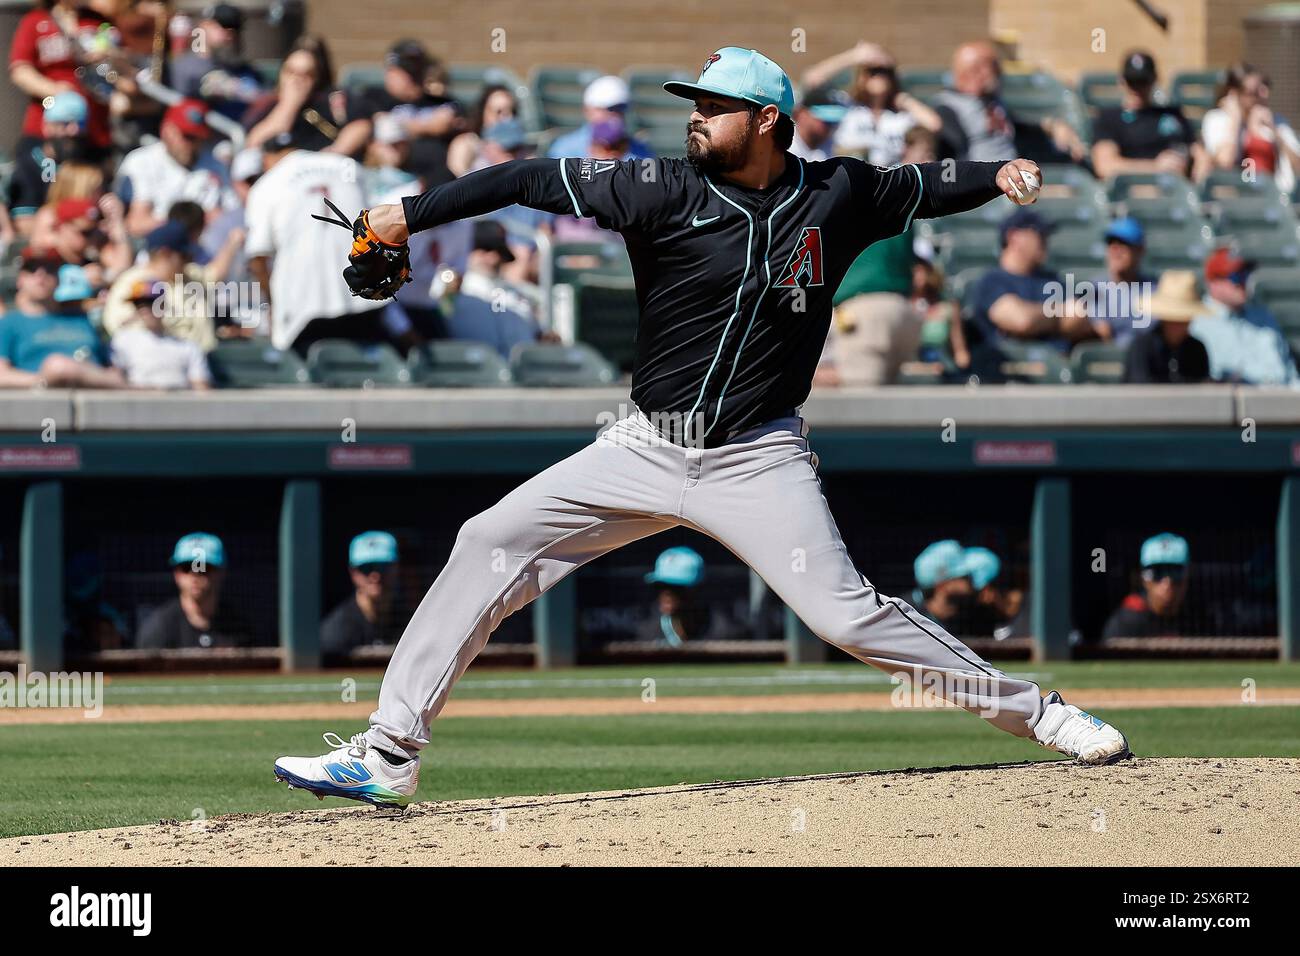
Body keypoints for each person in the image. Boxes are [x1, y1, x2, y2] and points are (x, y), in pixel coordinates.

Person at [274, 45, 1129, 807]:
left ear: (765, 121)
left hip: (758, 459)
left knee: (845, 617)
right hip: (642, 446)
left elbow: (929, 186)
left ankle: (1042, 715)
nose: (695, 116)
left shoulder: (837, 193)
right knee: (487, 540)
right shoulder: (659, 188)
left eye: (713, 106)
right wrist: (407, 212)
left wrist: (1000, 171)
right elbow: (527, 177)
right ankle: (389, 753)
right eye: (694, 102)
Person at [245, 132, 390, 355]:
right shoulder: (347, 166)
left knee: (307, 376)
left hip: (303, 301)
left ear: (267, 157)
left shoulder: (267, 184)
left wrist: (272, 302)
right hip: (363, 294)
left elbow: (258, 257)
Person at [965, 209, 1094, 368]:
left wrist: (1041, 319)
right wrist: (1061, 315)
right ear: (1013, 237)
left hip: (1056, 375)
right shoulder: (991, 282)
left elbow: (1079, 318)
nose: (1045, 239)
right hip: (1010, 376)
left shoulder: (1052, 280)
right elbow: (1021, 320)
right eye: (1039, 233)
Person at [336, 39, 465, 185]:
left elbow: (463, 126)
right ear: (390, 72)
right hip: (386, 181)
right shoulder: (373, 98)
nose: (416, 78)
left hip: (440, 182)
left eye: (419, 70)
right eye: (408, 72)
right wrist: (428, 126)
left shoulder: (443, 102)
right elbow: (376, 127)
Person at [933, 40, 1084, 165]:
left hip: (1012, 177)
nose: (1000, 72)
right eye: (994, 66)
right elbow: (954, 156)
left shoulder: (991, 101)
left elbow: (1017, 127)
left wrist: (1052, 126)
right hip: (982, 186)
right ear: (976, 71)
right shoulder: (947, 107)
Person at [802, 42, 941, 167]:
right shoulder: (847, 105)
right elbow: (812, 79)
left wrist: (905, 100)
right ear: (862, 76)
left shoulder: (899, 116)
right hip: (847, 177)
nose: (880, 77)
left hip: (887, 182)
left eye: (886, 72)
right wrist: (853, 57)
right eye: (873, 71)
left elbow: (934, 125)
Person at [8, 0, 116, 160]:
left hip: (93, 129)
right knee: (48, 180)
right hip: (49, 128)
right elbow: (20, 69)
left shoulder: (98, 21)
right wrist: (54, 90)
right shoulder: (35, 20)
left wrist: (109, 56)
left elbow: (119, 64)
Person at [0, 251, 125, 389]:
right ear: (20, 280)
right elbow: (2, 374)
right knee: (57, 365)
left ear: (58, 279)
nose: (41, 275)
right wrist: (45, 379)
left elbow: (110, 366)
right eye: (32, 269)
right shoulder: (9, 323)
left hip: (96, 395)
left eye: (49, 269)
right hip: (41, 400)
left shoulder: (80, 318)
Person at [115, 98, 234, 236]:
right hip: (159, 249)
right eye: (186, 136)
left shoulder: (215, 164)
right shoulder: (142, 161)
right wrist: (189, 222)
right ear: (166, 130)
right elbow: (135, 224)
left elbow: (230, 214)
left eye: (197, 137)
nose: (191, 145)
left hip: (207, 248)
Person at [102, 220, 221, 351]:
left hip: (203, 361)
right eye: (185, 256)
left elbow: (214, 274)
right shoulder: (133, 282)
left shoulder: (189, 275)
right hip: (160, 361)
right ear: (165, 254)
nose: (188, 262)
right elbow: (119, 326)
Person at [824, 227, 922, 384]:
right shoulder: (901, 205)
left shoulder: (841, 207)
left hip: (864, 312)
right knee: (892, 401)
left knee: (862, 399)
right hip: (904, 309)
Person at [1189, 247, 1299, 385]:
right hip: (1234, 403)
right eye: (1235, 277)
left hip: (1286, 399)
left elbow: (1289, 373)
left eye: (1246, 274)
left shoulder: (1263, 316)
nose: (1243, 282)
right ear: (1213, 282)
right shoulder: (1197, 324)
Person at [442, 220, 544, 356]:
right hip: (471, 369)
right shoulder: (450, 288)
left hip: (522, 370)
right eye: (485, 249)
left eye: (499, 252)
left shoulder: (516, 295)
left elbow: (537, 335)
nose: (493, 258)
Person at [1090, 51, 1197, 181]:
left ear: (1154, 80)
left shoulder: (1173, 115)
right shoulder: (1109, 118)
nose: (1137, 88)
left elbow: (1198, 154)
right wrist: (1155, 167)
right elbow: (1105, 166)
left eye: (1143, 81)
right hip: (1129, 192)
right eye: (1132, 82)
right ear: (1121, 81)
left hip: (1174, 191)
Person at [137, 533, 254, 649]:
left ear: (221, 572)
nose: (195, 574)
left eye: (203, 567)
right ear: (176, 574)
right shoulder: (159, 627)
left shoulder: (238, 628)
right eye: (187, 567)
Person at [1201, 63, 1300, 194]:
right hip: (1233, 199)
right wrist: (1235, 121)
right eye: (1253, 92)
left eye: (1264, 87)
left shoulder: (1276, 122)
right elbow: (1225, 161)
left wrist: (1274, 132)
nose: (1263, 95)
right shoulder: (1217, 120)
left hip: (1277, 197)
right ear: (1234, 94)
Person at [5, 90, 95, 229]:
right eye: (65, 123)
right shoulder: (29, 166)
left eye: (81, 123)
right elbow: (24, 224)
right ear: (47, 126)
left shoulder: (89, 164)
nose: (75, 130)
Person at [242, 34, 346, 154]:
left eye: (306, 74)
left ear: (317, 78)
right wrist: (290, 104)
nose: (296, 80)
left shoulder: (330, 103)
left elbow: (359, 123)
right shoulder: (266, 104)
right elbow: (253, 145)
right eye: (290, 71)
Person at [109, 278, 212, 389]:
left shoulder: (187, 346)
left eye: (150, 303)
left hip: (179, 401)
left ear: (163, 305)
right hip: (139, 401)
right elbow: (116, 381)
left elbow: (201, 388)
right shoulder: (123, 340)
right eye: (138, 304)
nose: (144, 310)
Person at [168, 2, 263, 122]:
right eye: (223, 25)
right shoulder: (185, 65)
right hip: (204, 133)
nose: (229, 32)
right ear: (205, 25)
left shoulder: (245, 70)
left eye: (235, 27)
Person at [636, 546, 743, 644]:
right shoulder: (647, 635)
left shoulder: (727, 633)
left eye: (676, 587)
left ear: (698, 589)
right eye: (660, 586)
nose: (666, 594)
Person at [321, 532, 403, 656]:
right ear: (353, 571)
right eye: (367, 567)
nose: (375, 575)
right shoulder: (334, 633)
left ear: (396, 567)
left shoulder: (412, 622)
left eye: (383, 566)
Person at [1122, 271, 1210, 384]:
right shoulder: (1141, 347)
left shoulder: (1197, 350)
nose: (1179, 324)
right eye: (1173, 319)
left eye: (1183, 318)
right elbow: (1140, 391)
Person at [1102, 533, 1190, 639]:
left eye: (1175, 572)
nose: (1167, 583)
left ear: (1187, 576)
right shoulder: (1125, 623)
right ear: (1143, 578)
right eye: (1158, 572)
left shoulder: (1203, 619)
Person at [546, 75, 654, 161]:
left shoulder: (642, 154)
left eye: (620, 109)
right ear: (588, 110)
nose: (615, 116)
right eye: (609, 109)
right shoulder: (564, 150)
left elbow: (650, 185)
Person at [1086, 217, 1156, 346]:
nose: (1116, 250)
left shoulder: (1154, 290)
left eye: (1123, 244)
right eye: (1111, 243)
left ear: (1140, 250)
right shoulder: (1092, 289)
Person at [446, 84, 518, 177]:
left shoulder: (522, 150)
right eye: (498, 112)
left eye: (512, 111)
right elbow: (457, 180)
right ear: (484, 113)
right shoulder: (468, 143)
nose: (508, 118)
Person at [911, 540, 975, 633]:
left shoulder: (963, 617)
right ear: (942, 584)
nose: (971, 579)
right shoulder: (905, 617)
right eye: (964, 575)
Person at [789, 86, 850, 162]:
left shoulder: (830, 144)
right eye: (824, 119)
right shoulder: (783, 149)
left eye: (833, 121)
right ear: (802, 114)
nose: (830, 126)